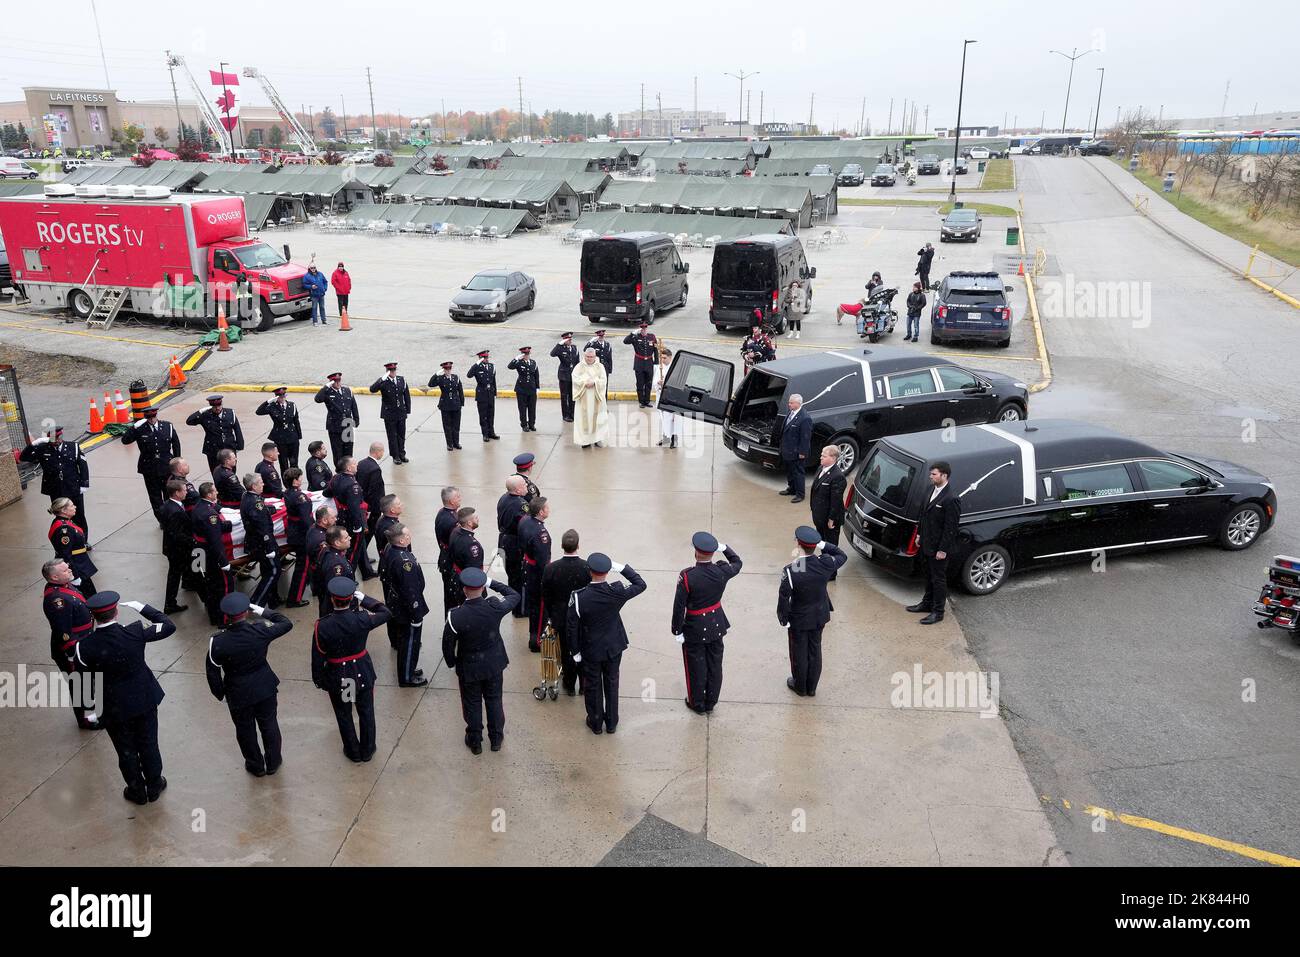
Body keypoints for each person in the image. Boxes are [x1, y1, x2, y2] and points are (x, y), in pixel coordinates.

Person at [74, 592, 176, 804]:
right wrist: (142, 607)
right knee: (149, 743)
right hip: (144, 698)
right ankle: (154, 784)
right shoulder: (135, 632)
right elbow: (168, 625)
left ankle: (136, 789)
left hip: (112, 706)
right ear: (117, 612)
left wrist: (88, 709)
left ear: (93, 616)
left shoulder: (83, 647)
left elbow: (82, 682)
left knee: (125, 749)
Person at [206, 592, 292, 777]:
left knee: (245, 730)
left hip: (237, 692)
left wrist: (221, 694)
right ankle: (273, 761)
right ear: (245, 613)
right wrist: (261, 610)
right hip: (264, 686)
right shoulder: (259, 631)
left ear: (227, 615)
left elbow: (212, 672)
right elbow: (286, 623)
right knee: (269, 724)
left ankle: (256, 765)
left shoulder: (218, 641)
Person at [311, 578, 390, 763]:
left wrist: (320, 680)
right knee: (366, 712)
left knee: (345, 714)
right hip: (361, 672)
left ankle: (353, 750)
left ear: (332, 599)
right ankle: (368, 749)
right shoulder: (362, 618)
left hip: (343, 677)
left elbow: (318, 657)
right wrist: (364, 599)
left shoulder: (323, 625)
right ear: (350, 599)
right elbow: (385, 612)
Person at [442, 567, 518, 754]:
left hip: (469, 668)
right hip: (493, 664)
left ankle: (475, 741)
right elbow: (514, 595)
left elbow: (447, 646)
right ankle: (496, 738)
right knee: (494, 700)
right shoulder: (494, 607)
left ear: (464, 589)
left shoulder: (456, 615)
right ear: (482, 588)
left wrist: (452, 663)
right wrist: (491, 582)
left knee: (472, 703)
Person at [567, 553, 645, 735]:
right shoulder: (616, 592)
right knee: (612, 682)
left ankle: (595, 723)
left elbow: (572, 627)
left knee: (592, 685)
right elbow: (640, 584)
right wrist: (622, 568)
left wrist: (575, 651)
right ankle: (611, 722)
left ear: (589, 571)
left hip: (591, 648)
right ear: (607, 572)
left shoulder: (579, 597)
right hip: (613, 645)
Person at [671, 532, 742, 715]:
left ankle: (697, 703)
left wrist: (677, 630)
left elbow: (679, 606)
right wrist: (724, 547)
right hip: (716, 623)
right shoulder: (721, 571)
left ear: (696, 552)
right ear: (713, 552)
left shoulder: (687, 576)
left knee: (696, 666)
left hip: (695, 627)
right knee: (715, 664)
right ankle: (711, 701)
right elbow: (737, 562)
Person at [778, 526, 848, 696]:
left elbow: (784, 597)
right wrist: (822, 544)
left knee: (799, 652)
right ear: (814, 546)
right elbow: (841, 555)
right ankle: (812, 687)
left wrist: (783, 618)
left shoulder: (792, 570)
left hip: (800, 618)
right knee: (815, 650)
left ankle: (800, 686)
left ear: (798, 544)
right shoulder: (824, 563)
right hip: (819, 614)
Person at [41, 558, 101, 730]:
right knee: (79, 685)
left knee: (87, 682)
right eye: (65, 570)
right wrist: (71, 657)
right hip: (72, 649)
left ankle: (92, 712)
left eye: (68, 567)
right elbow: (64, 632)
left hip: (83, 642)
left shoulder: (65, 586)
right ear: (54, 578)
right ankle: (85, 720)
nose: (70, 570)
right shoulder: (57, 600)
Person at [907, 461, 961, 625]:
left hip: (939, 548)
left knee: (938, 579)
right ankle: (926, 603)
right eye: (931, 474)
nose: (931, 477)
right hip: (926, 543)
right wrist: (919, 535)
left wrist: (942, 550)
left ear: (944, 475)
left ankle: (938, 611)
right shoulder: (930, 489)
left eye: (934, 474)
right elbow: (924, 515)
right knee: (928, 575)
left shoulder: (951, 498)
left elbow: (951, 527)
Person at [541, 529, 590, 696]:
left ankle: (569, 684)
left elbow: (546, 596)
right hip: (582, 615)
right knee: (583, 648)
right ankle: (584, 684)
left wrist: (551, 614)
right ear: (578, 546)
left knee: (566, 649)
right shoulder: (587, 568)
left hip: (561, 616)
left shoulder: (551, 569)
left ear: (561, 546)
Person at [379, 523, 429, 687]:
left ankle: (409, 669)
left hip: (397, 603)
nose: (410, 537)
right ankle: (406, 677)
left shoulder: (391, 549)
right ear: (401, 540)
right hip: (406, 608)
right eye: (407, 535)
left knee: (406, 641)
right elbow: (410, 591)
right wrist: (416, 613)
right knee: (409, 643)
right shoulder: (404, 562)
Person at [22, 426, 90, 540]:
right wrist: (34, 444)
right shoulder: (43, 449)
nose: (57, 441)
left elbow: (83, 465)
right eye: (54, 439)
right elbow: (24, 457)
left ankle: (83, 540)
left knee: (79, 516)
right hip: (56, 489)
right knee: (61, 517)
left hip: (73, 487)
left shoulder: (73, 447)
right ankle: (65, 541)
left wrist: (84, 484)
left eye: (59, 437)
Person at [120, 406, 180, 520]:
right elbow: (125, 440)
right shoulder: (140, 429)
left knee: (169, 494)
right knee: (155, 497)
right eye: (149, 418)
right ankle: (162, 519)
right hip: (149, 468)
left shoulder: (168, 426)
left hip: (166, 467)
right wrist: (134, 427)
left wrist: (176, 463)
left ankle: (171, 517)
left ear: (156, 415)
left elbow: (176, 444)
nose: (152, 420)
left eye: (153, 417)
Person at [193, 481, 234, 625]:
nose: (217, 493)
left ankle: (214, 616)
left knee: (211, 587)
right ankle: (224, 619)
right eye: (214, 491)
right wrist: (223, 562)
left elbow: (210, 528)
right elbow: (215, 541)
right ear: (209, 495)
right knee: (224, 586)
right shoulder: (210, 514)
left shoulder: (199, 506)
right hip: (212, 555)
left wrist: (225, 525)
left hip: (200, 551)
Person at [240, 473, 282, 609]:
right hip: (262, 544)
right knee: (274, 571)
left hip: (256, 542)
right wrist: (269, 547)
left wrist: (271, 509)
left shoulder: (248, 497)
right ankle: (256, 603)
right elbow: (262, 527)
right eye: (261, 482)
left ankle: (273, 599)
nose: (263, 484)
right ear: (253, 486)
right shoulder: (255, 502)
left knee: (267, 570)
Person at [517, 496, 553, 652]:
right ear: (540, 511)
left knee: (534, 607)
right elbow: (543, 561)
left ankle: (534, 635)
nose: (549, 510)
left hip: (527, 567)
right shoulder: (541, 533)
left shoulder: (525, 520)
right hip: (537, 575)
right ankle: (536, 641)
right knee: (540, 609)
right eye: (547, 507)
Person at [327, 456, 370, 578]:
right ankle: (349, 576)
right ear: (349, 468)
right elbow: (354, 508)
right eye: (355, 464)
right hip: (352, 520)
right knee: (353, 551)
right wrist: (358, 526)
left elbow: (327, 492)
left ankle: (364, 570)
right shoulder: (352, 485)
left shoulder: (336, 478)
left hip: (342, 517)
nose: (357, 466)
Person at [47, 497, 97, 597]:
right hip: (77, 567)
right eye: (71, 505)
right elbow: (65, 554)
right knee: (90, 597)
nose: (75, 507)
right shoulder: (64, 529)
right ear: (63, 510)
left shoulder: (64, 522)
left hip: (79, 563)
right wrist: (74, 576)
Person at [160, 480, 196, 615]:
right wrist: (193, 541)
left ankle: (173, 599)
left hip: (171, 548)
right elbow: (177, 535)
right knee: (178, 574)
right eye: (184, 490)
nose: (187, 492)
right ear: (177, 493)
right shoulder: (176, 511)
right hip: (178, 550)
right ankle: (170, 604)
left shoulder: (167, 506)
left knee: (175, 574)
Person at [186, 395, 244, 474]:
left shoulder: (230, 413)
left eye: (219, 405)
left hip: (229, 447)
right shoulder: (205, 415)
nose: (217, 408)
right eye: (214, 406)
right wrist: (200, 411)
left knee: (232, 471)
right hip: (213, 449)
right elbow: (189, 421)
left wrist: (240, 445)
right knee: (216, 472)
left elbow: (237, 429)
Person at [497, 476, 529, 614]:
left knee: (512, 576)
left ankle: (515, 606)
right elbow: (526, 525)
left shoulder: (503, 498)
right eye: (524, 485)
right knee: (519, 579)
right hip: (514, 545)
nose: (527, 487)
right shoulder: (521, 504)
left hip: (503, 541)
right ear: (517, 489)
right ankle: (520, 610)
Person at [282, 468, 313, 609]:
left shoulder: (288, 493)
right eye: (299, 478)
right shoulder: (300, 497)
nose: (301, 480)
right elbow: (306, 520)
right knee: (303, 567)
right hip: (302, 535)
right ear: (294, 481)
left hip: (294, 531)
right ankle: (294, 598)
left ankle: (314, 587)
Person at [369, 362, 411, 465]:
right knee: (392, 436)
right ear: (387, 372)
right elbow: (372, 389)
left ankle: (402, 454)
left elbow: (406, 395)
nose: (393, 372)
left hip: (401, 412)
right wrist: (381, 379)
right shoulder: (383, 381)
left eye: (394, 370)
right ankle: (395, 456)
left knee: (401, 435)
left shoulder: (402, 380)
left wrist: (407, 410)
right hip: (389, 413)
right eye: (390, 371)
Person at [314, 372, 360, 465]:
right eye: (335, 381)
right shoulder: (327, 392)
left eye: (339, 380)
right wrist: (326, 386)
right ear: (331, 382)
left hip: (348, 425)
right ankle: (339, 471)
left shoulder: (347, 390)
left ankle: (349, 470)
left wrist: (356, 420)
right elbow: (317, 399)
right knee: (338, 452)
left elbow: (353, 406)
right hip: (335, 427)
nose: (338, 383)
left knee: (348, 451)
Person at [254, 387, 302, 473]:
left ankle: (295, 481)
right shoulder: (272, 406)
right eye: (279, 396)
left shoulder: (292, 405)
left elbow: (296, 421)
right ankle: (287, 484)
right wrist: (268, 401)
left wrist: (299, 436)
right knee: (283, 463)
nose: (282, 398)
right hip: (280, 438)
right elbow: (258, 412)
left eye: (283, 395)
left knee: (294, 462)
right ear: (276, 397)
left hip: (292, 437)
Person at [355, 442, 385, 575]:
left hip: (362, 504)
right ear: (377, 452)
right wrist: (375, 509)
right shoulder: (375, 469)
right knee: (367, 535)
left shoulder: (361, 463)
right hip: (371, 508)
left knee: (364, 536)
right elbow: (375, 492)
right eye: (382, 451)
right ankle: (362, 561)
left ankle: (363, 558)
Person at [809, 446, 847, 549]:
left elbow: (836, 501)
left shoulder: (838, 477)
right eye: (821, 455)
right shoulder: (821, 468)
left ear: (833, 458)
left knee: (830, 545)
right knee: (821, 541)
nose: (821, 457)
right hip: (819, 516)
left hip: (829, 520)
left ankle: (830, 562)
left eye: (824, 456)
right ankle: (824, 560)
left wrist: (831, 519)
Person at [447, 507, 485, 608]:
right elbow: (474, 571)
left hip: (457, 576)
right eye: (476, 518)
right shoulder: (472, 545)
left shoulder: (455, 531)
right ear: (469, 523)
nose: (478, 519)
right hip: (467, 582)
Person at [779, 394, 813, 504]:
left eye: (791, 403)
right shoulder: (791, 413)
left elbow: (805, 438)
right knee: (789, 471)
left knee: (798, 472)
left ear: (799, 403)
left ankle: (800, 494)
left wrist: (802, 452)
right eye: (789, 402)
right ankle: (791, 489)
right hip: (787, 450)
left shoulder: (805, 418)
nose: (789, 404)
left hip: (797, 452)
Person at [315, 525, 355, 618]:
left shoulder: (330, 551)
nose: (350, 538)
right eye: (346, 538)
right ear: (337, 543)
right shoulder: (336, 564)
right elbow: (336, 590)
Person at [572, 348, 609, 448]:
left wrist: (594, 383)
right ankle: (585, 441)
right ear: (584, 356)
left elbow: (604, 380)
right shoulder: (579, 367)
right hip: (583, 397)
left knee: (599, 419)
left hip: (597, 397)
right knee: (584, 420)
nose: (589, 359)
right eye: (587, 357)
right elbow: (575, 379)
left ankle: (598, 439)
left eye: (591, 357)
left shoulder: (600, 367)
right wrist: (584, 382)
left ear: (595, 356)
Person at [435, 486, 462, 615]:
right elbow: (457, 545)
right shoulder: (452, 521)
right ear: (451, 501)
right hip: (450, 562)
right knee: (453, 597)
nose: (460, 498)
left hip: (445, 557)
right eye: (457, 496)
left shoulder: (443, 513)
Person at [427, 361, 465, 451]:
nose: (448, 370)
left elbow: (460, 391)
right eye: (446, 369)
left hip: (456, 405)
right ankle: (449, 444)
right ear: (443, 370)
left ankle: (456, 443)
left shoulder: (456, 377)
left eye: (449, 368)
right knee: (447, 426)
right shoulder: (440, 378)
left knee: (456, 425)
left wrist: (461, 403)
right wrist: (436, 374)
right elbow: (430, 384)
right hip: (445, 405)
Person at [465, 349, 500, 441]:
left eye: (487, 357)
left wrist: (495, 393)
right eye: (484, 357)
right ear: (480, 358)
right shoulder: (477, 367)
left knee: (491, 414)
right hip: (482, 394)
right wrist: (477, 363)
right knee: (483, 415)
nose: (486, 358)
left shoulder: (492, 366)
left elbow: (493, 381)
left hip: (490, 394)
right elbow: (469, 375)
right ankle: (485, 434)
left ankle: (491, 432)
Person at [623, 320, 659, 408]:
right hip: (639, 363)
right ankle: (641, 401)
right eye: (642, 328)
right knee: (640, 383)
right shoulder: (635, 337)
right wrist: (632, 333)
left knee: (648, 383)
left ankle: (647, 401)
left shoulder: (652, 337)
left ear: (647, 328)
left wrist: (656, 362)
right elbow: (625, 341)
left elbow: (655, 350)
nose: (643, 330)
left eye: (645, 328)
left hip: (649, 363)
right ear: (640, 329)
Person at [507, 346, 540, 432]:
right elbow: (510, 367)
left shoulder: (533, 363)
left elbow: (536, 376)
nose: (526, 355)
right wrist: (516, 358)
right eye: (525, 354)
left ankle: (532, 424)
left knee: (532, 408)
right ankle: (524, 425)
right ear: (522, 354)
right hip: (521, 389)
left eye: (528, 354)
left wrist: (537, 387)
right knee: (522, 408)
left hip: (532, 389)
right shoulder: (519, 362)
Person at [656, 348, 682, 449]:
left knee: (675, 420)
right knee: (664, 420)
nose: (663, 360)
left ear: (670, 357)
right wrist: (658, 383)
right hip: (663, 398)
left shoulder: (676, 368)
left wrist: (666, 384)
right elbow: (654, 382)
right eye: (661, 358)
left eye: (665, 358)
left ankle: (674, 440)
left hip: (673, 399)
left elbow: (679, 384)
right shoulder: (659, 368)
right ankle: (666, 438)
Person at [550, 333, 579, 422]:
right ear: (564, 340)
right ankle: (565, 415)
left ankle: (572, 413)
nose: (570, 341)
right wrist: (559, 344)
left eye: (570, 339)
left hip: (573, 375)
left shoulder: (574, 348)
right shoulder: (560, 349)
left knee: (572, 396)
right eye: (568, 340)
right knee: (564, 396)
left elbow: (577, 362)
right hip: (564, 376)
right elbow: (552, 354)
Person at [374, 494, 403, 564]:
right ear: (392, 510)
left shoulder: (383, 519)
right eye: (399, 504)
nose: (402, 504)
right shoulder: (391, 528)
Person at [584, 329, 614, 398]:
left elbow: (609, 358)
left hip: (605, 368)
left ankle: (604, 406)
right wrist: (590, 342)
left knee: (604, 386)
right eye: (600, 336)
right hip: (596, 368)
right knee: (596, 386)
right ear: (597, 336)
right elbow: (585, 350)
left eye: (602, 336)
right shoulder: (593, 344)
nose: (601, 338)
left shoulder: (607, 344)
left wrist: (609, 369)